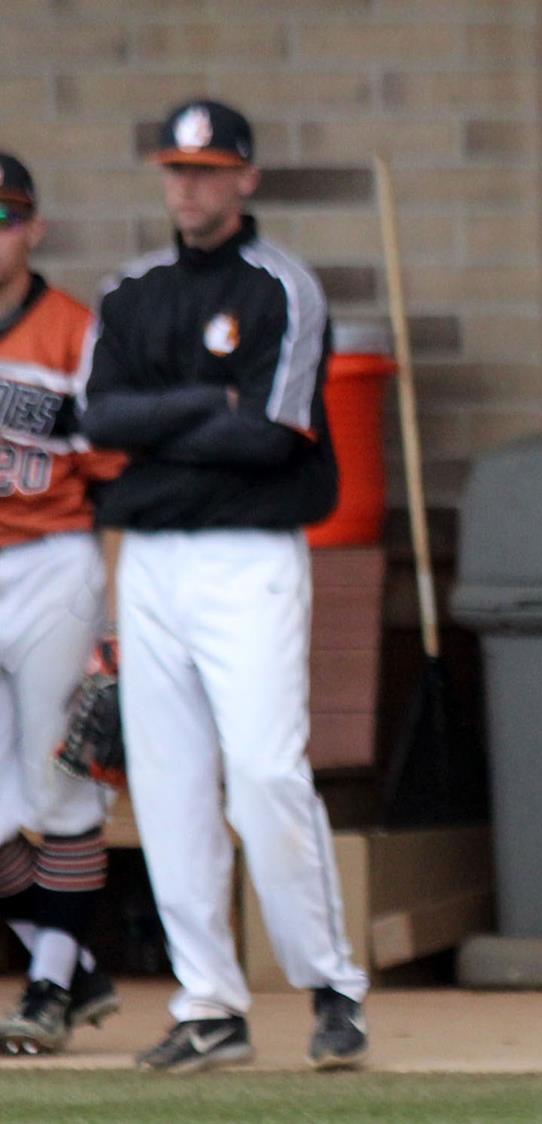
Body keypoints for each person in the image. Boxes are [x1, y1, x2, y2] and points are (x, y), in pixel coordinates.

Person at [79, 99, 369, 1073]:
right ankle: (210, 1002)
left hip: (250, 555)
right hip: (150, 561)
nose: (189, 185)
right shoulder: (130, 291)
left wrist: (157, 434)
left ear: (245, 176)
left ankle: (333, 986)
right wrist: (204, 403)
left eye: (207, 169)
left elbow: (272, 434)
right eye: (176, 168)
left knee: (264, 772)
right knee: (165, 785)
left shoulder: (280, 285)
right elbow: (97, 421)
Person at [0, 152, 124, 1055]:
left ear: (33, 227)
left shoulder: (76, 329)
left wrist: (111, 618)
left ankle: (47, 992)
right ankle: (73, 967)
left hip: (53, 562)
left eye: (2, 217)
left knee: (61, 784)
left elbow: (117, 480)